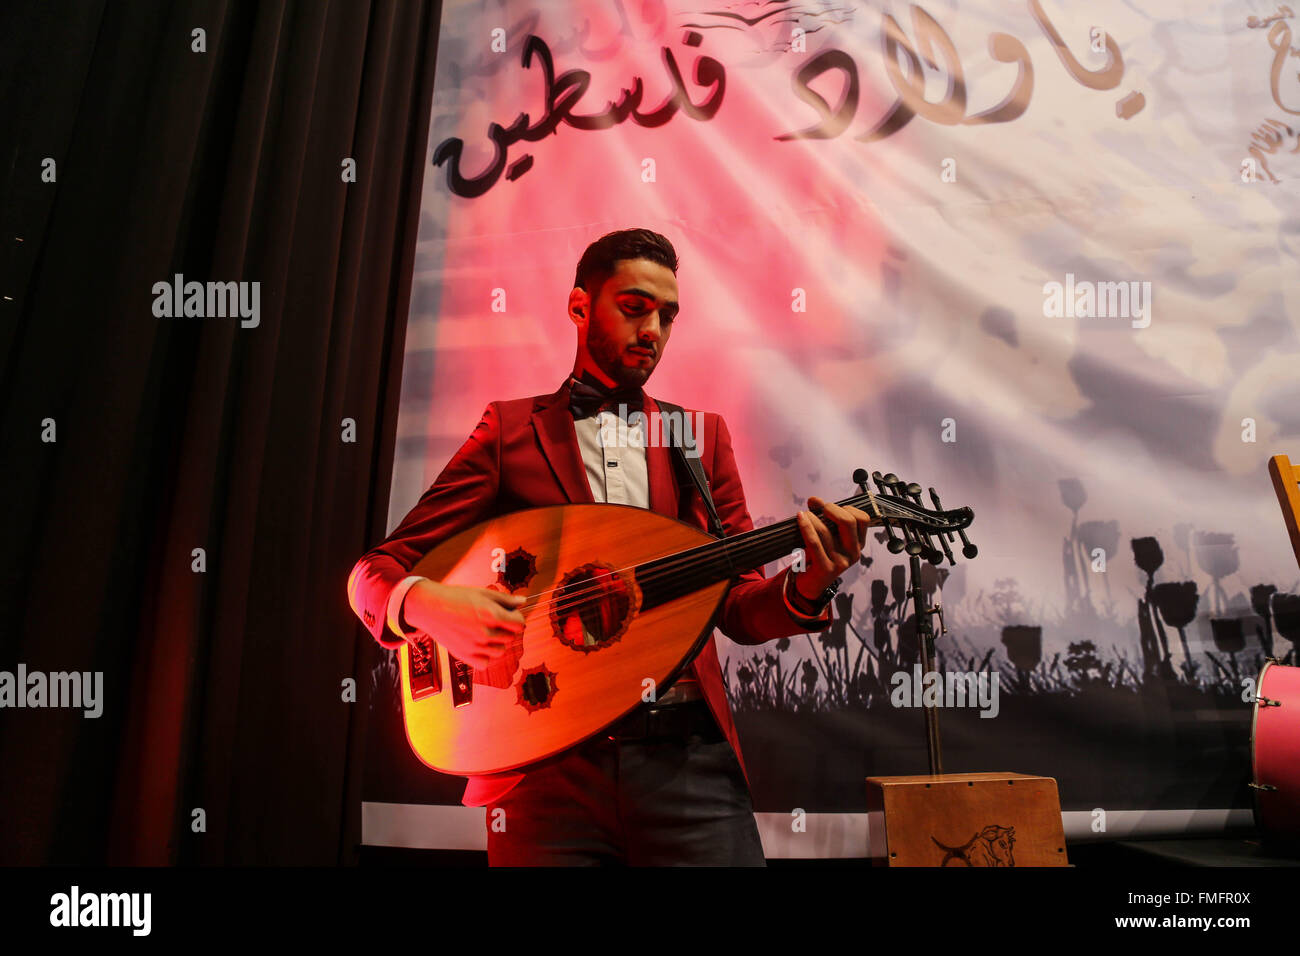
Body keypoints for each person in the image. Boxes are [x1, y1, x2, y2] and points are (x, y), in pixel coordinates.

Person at [347, 228, 873, 865]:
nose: (653, 328)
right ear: (579, 307)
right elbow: (373, 572)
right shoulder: (512, 430)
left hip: (687, 764)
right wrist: (433, 607)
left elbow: (736, 608)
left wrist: (809, 584)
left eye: (667, 315)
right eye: (634, 307)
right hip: (542, 770)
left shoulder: (698, 438)